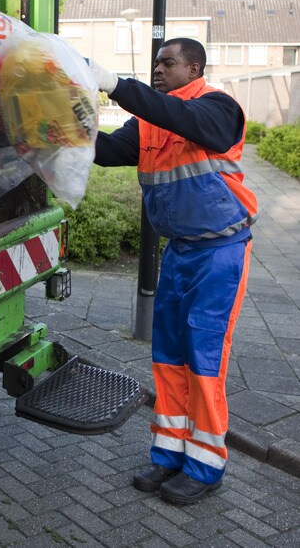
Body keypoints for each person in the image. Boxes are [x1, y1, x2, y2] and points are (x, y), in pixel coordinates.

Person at [87, 38, 258, 505]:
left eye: (168, 63)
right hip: (181, 253)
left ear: (194, 68)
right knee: (168, 357)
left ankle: (205, 466)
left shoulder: (217, 107)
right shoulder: (147, 123)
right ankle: (168, 455)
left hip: (221, 253)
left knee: (203, 359)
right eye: (155, 63)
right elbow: (103, 151)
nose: (158, 69)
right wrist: (59, 119)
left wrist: (117, 85)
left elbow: (185, 120)